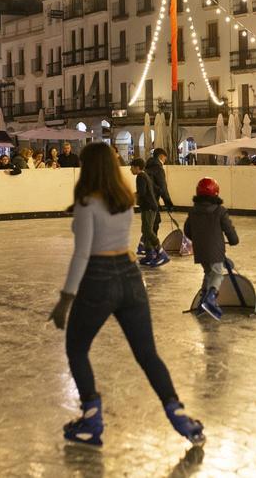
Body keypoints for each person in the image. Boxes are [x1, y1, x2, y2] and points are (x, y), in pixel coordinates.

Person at [47, 142, 205, 447]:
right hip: (131, 276)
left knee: (77, 349)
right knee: (147, 354)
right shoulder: (123, 200)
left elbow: (82, 254)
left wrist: (66, 299)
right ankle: (179, 415)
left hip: (98, 279)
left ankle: (92, 417)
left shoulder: (87, 203)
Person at [183, 177, 239, 320]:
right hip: (215, 250)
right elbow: (228, 228)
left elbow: (187, 230)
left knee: (208, 273)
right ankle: (211, 298)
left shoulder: (193, 211)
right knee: (217, 274)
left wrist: (198, 239)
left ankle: (202, 300)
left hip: (200, 250)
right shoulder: (220, 210)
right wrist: (233, 240)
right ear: (216, 193)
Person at [130, 158, 167, 267]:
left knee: (148, 230)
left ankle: (161, 253)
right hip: (149, 206)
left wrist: (130, 196)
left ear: (137, 167)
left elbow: (142, 193)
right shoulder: (144, 175)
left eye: (131, 167)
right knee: (145, 230)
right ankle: (149, 255)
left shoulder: (140, 176)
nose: (130, 169)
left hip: (149, 207)